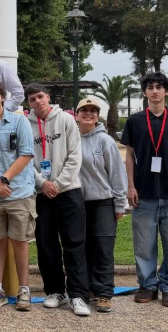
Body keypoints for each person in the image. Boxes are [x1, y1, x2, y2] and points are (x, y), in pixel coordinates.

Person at [121, 72, 168, 308]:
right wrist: (130, 185)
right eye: (150, 87)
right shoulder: (135, 120)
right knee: (143, 246)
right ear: (144, 93)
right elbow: (129, 155)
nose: (155, 91)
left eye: (159, 87)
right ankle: (148, 285)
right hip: (143, 195)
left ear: (166, 92)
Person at [26, 82, 91, 316]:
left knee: (74, 245)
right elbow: (25, 158)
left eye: (40, 97)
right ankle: (55, 291)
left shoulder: (65, 120)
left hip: (69, 192)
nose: (37, 102)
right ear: (28, 103)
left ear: (48, 97)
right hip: (42, 193)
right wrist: (43, 183)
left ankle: (78, 295)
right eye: (32, 99)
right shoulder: (26, 124)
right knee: (46, 245)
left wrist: (59, 183)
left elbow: (75, 156)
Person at [0, 78, 36, 312]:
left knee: (20, 242)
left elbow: (26, 154)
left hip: (19, 192)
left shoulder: (19, 121)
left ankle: (24, 289)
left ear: (2, 97)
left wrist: (4, 180)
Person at [75, 97, 127, 313]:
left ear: (98, 116)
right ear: (76, 115)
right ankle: (86, 290)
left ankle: (104, 293)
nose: (88, 114)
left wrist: (119, 203)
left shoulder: (105, 141)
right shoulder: (71, 139)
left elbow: (117, 173)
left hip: (103, 202)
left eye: (93, 111)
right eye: (84, 110)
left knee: (103, 249)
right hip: (77, 203)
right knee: (82, 249)